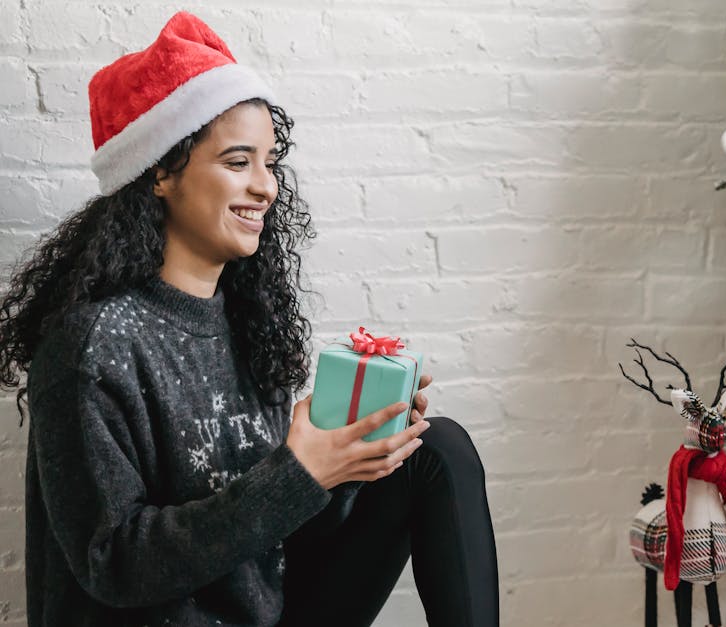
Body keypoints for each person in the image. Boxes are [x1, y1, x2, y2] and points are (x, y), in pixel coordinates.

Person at [0, 12, 499, 627]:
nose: (266, 186)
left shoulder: (248, 322)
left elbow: (268, 532)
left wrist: (342, 457)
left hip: (266, 609)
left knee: (434, 448)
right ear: (160, 171)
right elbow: (114, 562)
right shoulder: (93, 347)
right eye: (239, 162)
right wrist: (299, 472)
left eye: (270, 162)